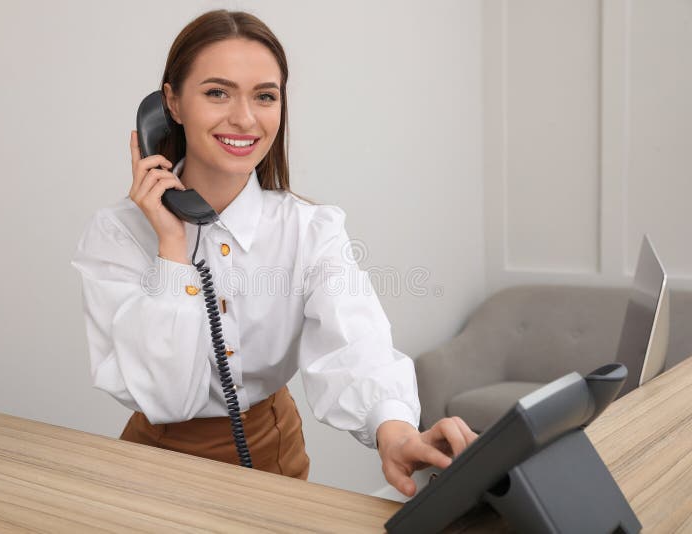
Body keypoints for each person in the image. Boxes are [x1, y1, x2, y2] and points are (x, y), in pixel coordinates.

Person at [70, 9, 477, 498]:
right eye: (217, 92)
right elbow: (166, 397)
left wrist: (395, 432)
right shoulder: (117, 234)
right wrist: (172, 248)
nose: (244, 118)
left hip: (272, 455)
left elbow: (357, 341)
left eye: (264, 96)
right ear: (171, 103)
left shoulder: (310, 229)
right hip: (154, 465)